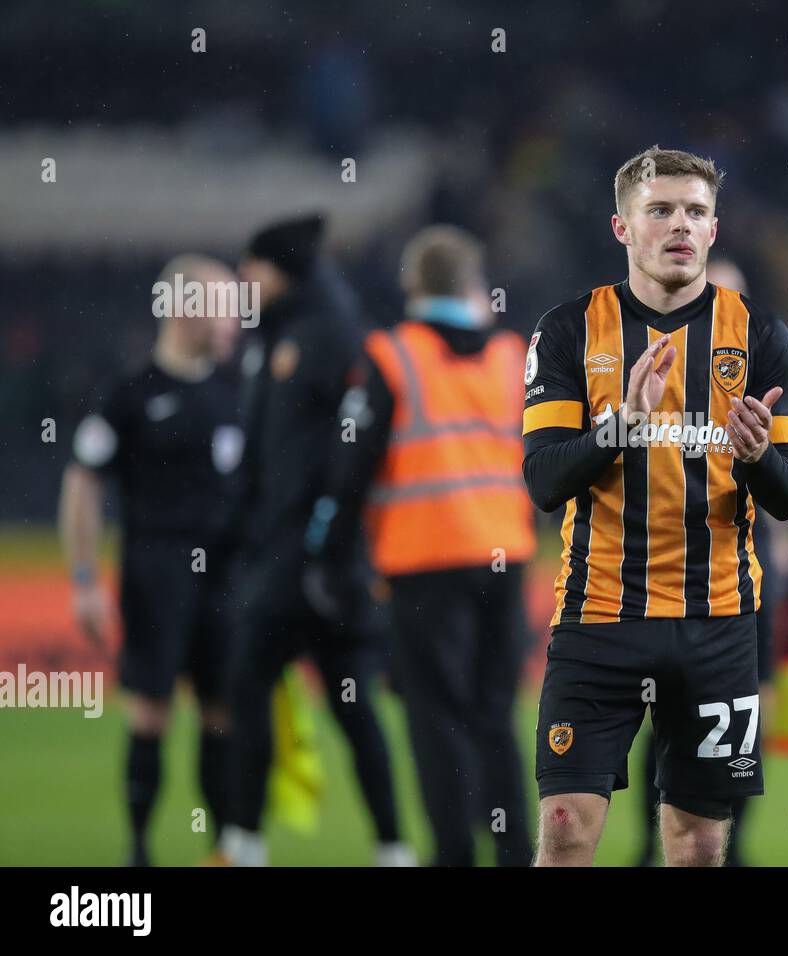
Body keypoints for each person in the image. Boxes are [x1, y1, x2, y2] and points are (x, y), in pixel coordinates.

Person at [523, 146, 788, 866]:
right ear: (622, 226)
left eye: (696, 212)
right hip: (597, 621)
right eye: (660, 210)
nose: (680, 225)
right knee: (562, 830)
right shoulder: (567, 331)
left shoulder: (763, 336)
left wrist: (756, 456)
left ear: (714, 230)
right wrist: (621, 423)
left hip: (717, 628)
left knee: (702, 843)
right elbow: (544, 481)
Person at [303, 225, 536, 866]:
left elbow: (350, 470)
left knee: (437, 718)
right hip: (505, 556)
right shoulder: (514, 354)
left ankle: (454, 853)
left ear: (411, 284)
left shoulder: (391, 355)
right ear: (473, 282)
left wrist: (328, 556)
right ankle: (516, 851)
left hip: (424, 559)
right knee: (494, 715)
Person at [217, 213, 413, 866]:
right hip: (300, 556)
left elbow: (348, 456)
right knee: (340, 706)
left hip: (310, 558)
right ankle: (390, 847)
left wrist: (323, 542)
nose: (245, 280)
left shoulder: (327, 338)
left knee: (262, 691)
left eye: (253, 268)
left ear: (282, 271)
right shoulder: (285, 335)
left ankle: (245, 840)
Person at [59, 254, 244, 866]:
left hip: (226, 579)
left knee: (222, 715)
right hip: (156, 575)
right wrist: (84, 580)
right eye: (222, 303)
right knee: (151, 712)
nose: (233, 318)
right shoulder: (131, 395)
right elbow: (83, 483)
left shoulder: (238, 390)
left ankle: (223, 848)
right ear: (185, 309)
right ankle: (138, 852)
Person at [629, 257, 780, 867]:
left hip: (744, 576)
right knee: (659, 716)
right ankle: (650, 845)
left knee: (742, 719)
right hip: (662, 577)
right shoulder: (651, 380)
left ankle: (731, 844)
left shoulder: (766, 370)